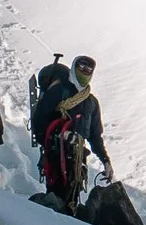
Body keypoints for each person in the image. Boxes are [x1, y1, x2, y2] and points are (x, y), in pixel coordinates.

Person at [37, 55, 111, 209]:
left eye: (89, 69)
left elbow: (95, 136)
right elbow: (40, 120)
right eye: (82, 67)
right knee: (56, 196)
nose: (85, 71)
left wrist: (105, 161)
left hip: (77, 160)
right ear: (74, 67)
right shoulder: (59, 90)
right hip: (56, 154)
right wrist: (59, 135)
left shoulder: (91, 103)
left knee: (71, 196)